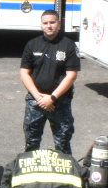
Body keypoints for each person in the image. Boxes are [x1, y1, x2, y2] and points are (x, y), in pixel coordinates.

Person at [19, 9, 81, 154]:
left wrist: (52, 98)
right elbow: (24, 72)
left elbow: (71, 75)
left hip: (60, 101)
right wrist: (38, 97)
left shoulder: (69, 45)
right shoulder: (32, 44)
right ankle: (31, 173)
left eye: (52, 22)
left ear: (59, 24)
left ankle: (64, 176)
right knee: (31, 141)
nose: (49, 26)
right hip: (35, 101)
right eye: (45, 23)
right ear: (41, 25)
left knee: (63, 141)